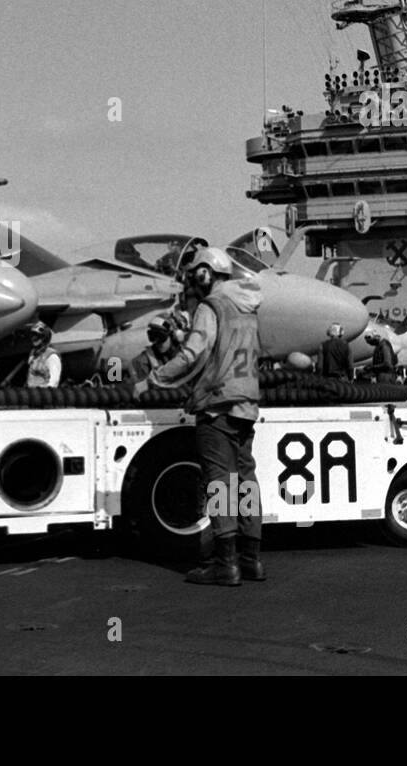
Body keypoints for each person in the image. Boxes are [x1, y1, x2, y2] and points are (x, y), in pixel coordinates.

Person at [137, 246, 264, 586]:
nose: (194, 282)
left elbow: (194, 354)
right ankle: (251, 559)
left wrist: (153, 380)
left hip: (217, 404)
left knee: (221, 483)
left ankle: (225, 565)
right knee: (245, 482)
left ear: (206, 273)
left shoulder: (213, 306)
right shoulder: (248, 306)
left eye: (195, 275)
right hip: (246, 405)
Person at [130, 316, 185, 389]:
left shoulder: (184, 355)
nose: (156, 342)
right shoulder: (143, 360)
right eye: (153, 336)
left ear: (172, 337)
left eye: (161, 337)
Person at [24, 322, 61, 388]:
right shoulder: (33, 354)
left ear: (44, 338)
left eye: (36, 337)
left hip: (44, 394)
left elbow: (54, 381)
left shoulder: (51, 356)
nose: (33, 339)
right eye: (32, 336)